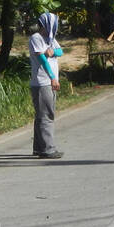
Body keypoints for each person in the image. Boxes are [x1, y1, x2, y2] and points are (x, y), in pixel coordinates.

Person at [29, 12, 63, 159]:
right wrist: (53, 78)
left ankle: (38, 147)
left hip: (47, 83)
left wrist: (53, 51)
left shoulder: (51, 39)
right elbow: (42, 59)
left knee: (41, 116)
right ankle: (48, 149)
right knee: (46, 116)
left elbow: (60, 51)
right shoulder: (36, 38)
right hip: (42, 82)